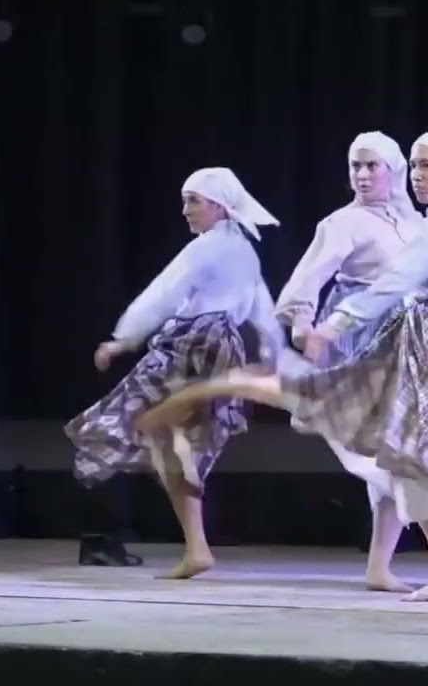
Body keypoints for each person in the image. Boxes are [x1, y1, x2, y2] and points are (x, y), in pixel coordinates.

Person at [137, 129, 428, 603]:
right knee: (403, 456)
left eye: (419, 166)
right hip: (404, 339)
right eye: (359, 165)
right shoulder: (383, 222)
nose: (371, 175)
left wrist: (334, 326)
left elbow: (403, 281)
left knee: (412, 454)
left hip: (427, 339)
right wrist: (308, 324)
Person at [64, 167, 283, 580]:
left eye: (193, 201)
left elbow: (165, 291)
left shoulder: (207, 247)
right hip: (223, 348)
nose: (185, 211)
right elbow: (262, 308)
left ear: (219, 206)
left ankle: (188, 545)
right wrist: (276, 352)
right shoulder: (244, 250)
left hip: (193, 344)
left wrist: (123, 339)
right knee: (178, 448)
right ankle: (196, 549)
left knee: (136, 425)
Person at [273, 131, 426, 592]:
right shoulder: (343, 222)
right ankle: (414, 513)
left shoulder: (415, 221)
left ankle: (380, 566)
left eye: (371, 165)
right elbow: (309, 275)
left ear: (393, 170)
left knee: (394, 448)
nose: (361, 174)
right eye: (355, 166)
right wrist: (302, 324)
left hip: (406, 336)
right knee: (373, 450)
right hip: (357, 334)